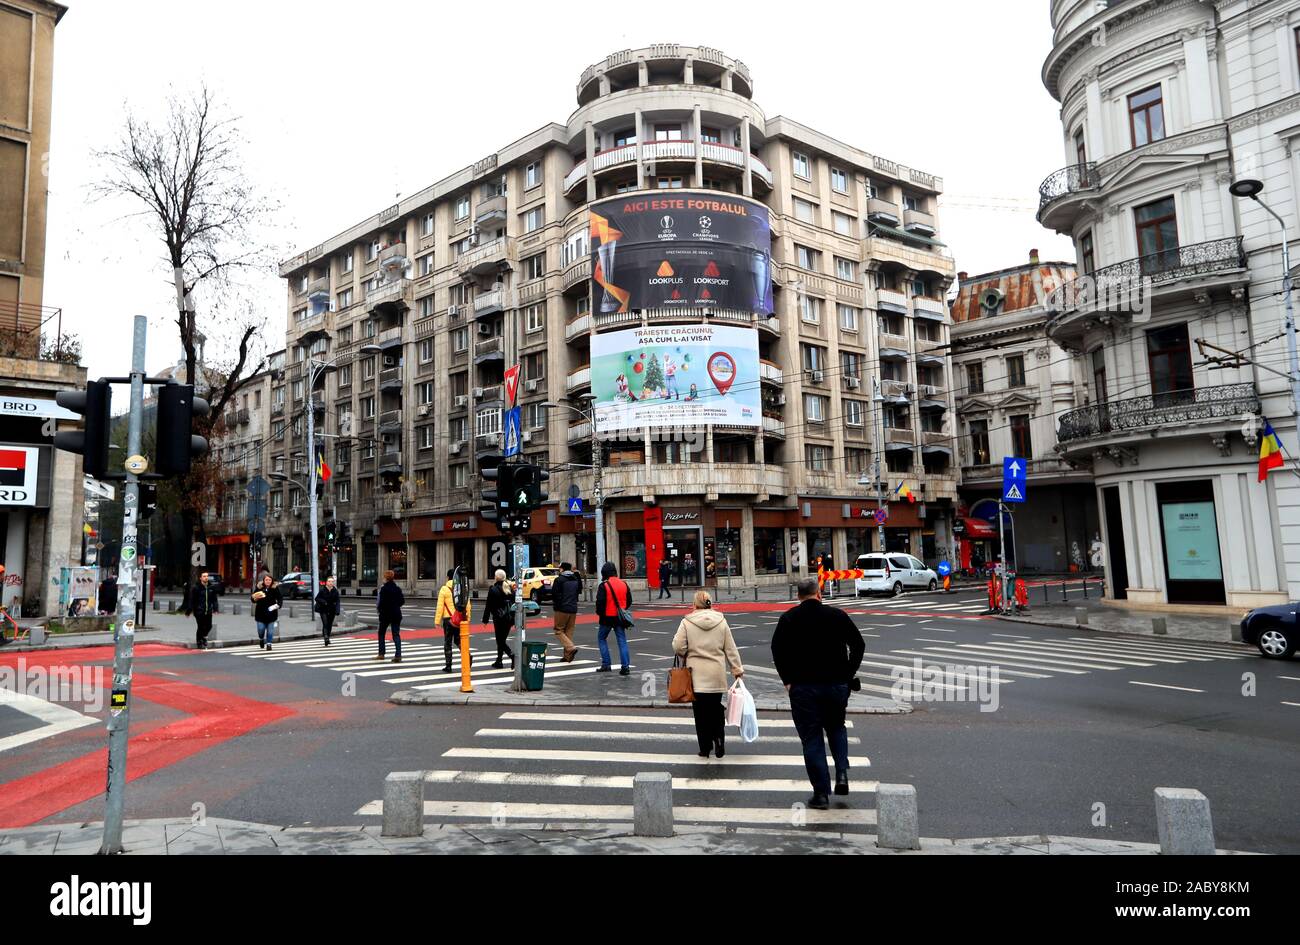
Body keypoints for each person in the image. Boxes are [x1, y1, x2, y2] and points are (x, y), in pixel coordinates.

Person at [771, 577, 866, 810]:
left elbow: (777, 650)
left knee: (811, 738)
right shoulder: (837, 616)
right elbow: (858, 644)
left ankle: (821, 794)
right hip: (836, 685)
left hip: (803, 687)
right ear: (819, 594)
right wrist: (847, 673)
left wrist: (787, 681)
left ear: (798, 596)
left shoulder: (789, 618)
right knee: (836, 727)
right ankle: (842, 772)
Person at [672, 590, 743, 758]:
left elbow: (678, 647)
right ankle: (719, 740)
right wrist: (737, 669)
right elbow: (730, 648)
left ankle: (705, 747)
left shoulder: (687, 622)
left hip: (696, 675)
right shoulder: (721, 621)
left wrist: (688, 652)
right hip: (716, 674)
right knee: (716, 709)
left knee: (700, 712)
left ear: (695, 604)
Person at [594, 562, 632, 675]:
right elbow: (629, 601)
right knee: (622, 641)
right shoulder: (624, 584)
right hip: (620, 617)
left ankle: (606, 664)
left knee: (601, 638)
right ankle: (625, 667)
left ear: (604, 573)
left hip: (606, 617)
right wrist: (622, 609)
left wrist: (600, 613)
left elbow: (600, 603)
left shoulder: (604, 585)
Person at [435, 568, 471, 672]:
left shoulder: (444, 589)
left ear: (448, 577)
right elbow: (467, 604)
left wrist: (437, 621)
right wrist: (467, 618)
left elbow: (440, 606)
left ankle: (448, 665)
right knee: (458, 640)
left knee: (448, 642)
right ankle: (467, 656)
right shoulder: (462, 588)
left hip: (448, 619)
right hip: (459, 619)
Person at [550, 562, 582, 663]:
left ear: (562, 569)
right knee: (569, 631)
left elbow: (554, 594)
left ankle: (570, 647)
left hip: (562, 608)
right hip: (573, 608)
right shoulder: (575, 579)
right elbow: (579, 591)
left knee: (558, 630)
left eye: (560, 568)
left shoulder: (559, 580)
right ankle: (567, 656)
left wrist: (557, 605)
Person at [485, 569, 515, 669]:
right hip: (509, 618)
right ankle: (499, 660)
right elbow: (514, 604)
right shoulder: (509, 588)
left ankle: (511, 656)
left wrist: (485, 619)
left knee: (500, 640)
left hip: (499, 618)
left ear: (496, 578)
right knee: (502, 639)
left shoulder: (493, 589)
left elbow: (488, 605)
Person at [377, 569, 404, 663]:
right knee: (396, 634)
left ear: (386, 578)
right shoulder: (397, 588)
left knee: (381, 633)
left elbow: (381, 603)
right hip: (396, 614)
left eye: (384, 577)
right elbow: (402, 601)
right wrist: (395, 606)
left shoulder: (384, 589)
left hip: (385, 615)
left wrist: (380, 612)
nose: (383, 579)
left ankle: (381, 653)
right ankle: (398, 655)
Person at [250, 573, 282, 651]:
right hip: (260, 613)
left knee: (270, 631)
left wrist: (278, 605)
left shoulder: (275, 588)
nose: (268, 581)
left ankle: (269, 644)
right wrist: (255, 598)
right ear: (264, 581)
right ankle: (261, 639)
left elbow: (280, 598)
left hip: (271, 613)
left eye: (269, 580)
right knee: (261, 629)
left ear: (272, 581)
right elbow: (253, 598)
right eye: (266, 580)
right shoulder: (259, 588)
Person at [188, 571, 220, 650]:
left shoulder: (211, 587)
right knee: (200, 627)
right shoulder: (196, 588)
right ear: (201, 578)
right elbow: (192, 600)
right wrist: (189, 610)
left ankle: (204, 637)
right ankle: (199, 642)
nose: (206, 577)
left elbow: (214, 600)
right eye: (204, 576)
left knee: (209, 626)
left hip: (208, 611)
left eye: (207, 576)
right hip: (199, 611)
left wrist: (215, 609)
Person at [315, 575, 341, 647]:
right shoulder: (322, 590)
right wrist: (324, 602)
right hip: (323, 609)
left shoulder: (335, 591)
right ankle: (326, 637)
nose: (330, 583)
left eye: (332, 581)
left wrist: (337, 610)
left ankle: (328, 637)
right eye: (329, 581)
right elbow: (317, 598)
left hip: (332, 610)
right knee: (325, 623)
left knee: (329, 624)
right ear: (326, 582)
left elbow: (338, 601)